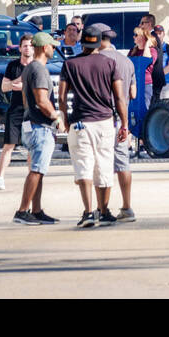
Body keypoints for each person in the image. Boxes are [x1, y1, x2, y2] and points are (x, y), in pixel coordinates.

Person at [59, 25, 129, 228]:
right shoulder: (110, 63)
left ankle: (88, 212)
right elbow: (119, 97)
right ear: (100, 42)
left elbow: (62, 96)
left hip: (80, 122)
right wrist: (124, 124)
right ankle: (104, 211)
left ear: (82, 42)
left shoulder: (70, 64)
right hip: (105, 122)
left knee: (84, 167)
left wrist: (63, 119)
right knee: (104, 166)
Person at [13, 32, 63, 225]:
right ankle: (22, 210)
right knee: (36, 170)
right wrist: (56, 117)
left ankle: (36, 210)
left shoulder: (30, 68)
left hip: (31, 123)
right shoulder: (39, 70)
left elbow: (27, 99)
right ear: (44, 47)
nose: (54, 48)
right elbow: (42, 100)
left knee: (39, 170)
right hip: (39, 126)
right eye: (52, 45)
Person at [97, 24, 138, 222]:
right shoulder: (127, 61)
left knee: (101, 163)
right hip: (122, 120)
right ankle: (127, 206)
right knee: (123, 162)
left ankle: (101, 208)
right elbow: (133, 93)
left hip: (101, 117)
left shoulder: (96, 61)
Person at [0, 33, 34, 191]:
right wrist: (17, 82)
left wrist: (24, 87)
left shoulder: (37, 66)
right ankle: (0, 178)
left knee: (32, 146)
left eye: (31, 45)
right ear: (20, 48)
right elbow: (4, 87)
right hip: (16, 110)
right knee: (9, 145)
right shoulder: (13, 66)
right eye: (25, 45)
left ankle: (33, 177)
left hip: (31, 112)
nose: (28, 48)